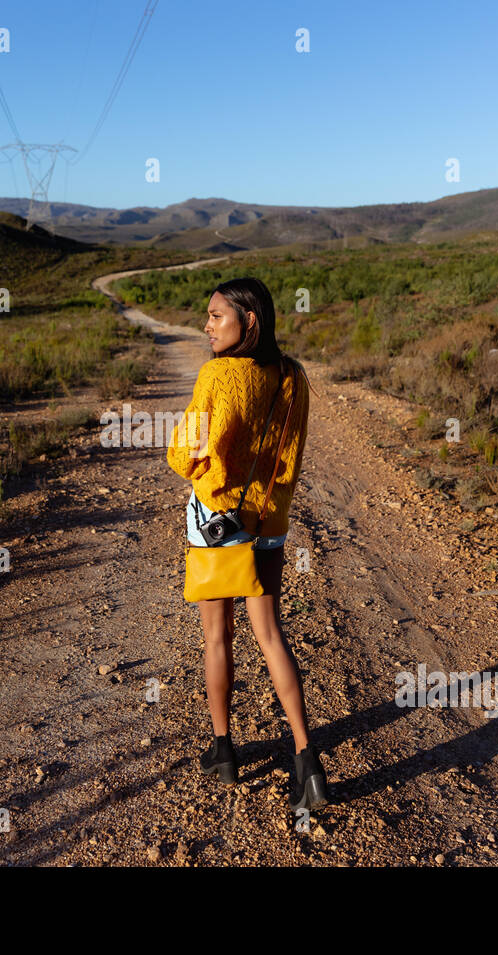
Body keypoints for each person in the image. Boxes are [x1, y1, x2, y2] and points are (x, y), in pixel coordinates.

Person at [166, 276, 327, 813]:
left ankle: (224, 749)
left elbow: (184, 455)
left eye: (216, 316)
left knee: (219, 639)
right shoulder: (293, 376)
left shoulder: (217, 374)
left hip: (217, 520)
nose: (206, 325)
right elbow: (292, 454)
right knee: (271, 635)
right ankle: (307, 761)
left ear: (248, 320)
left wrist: (205, 466)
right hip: (268, 522)